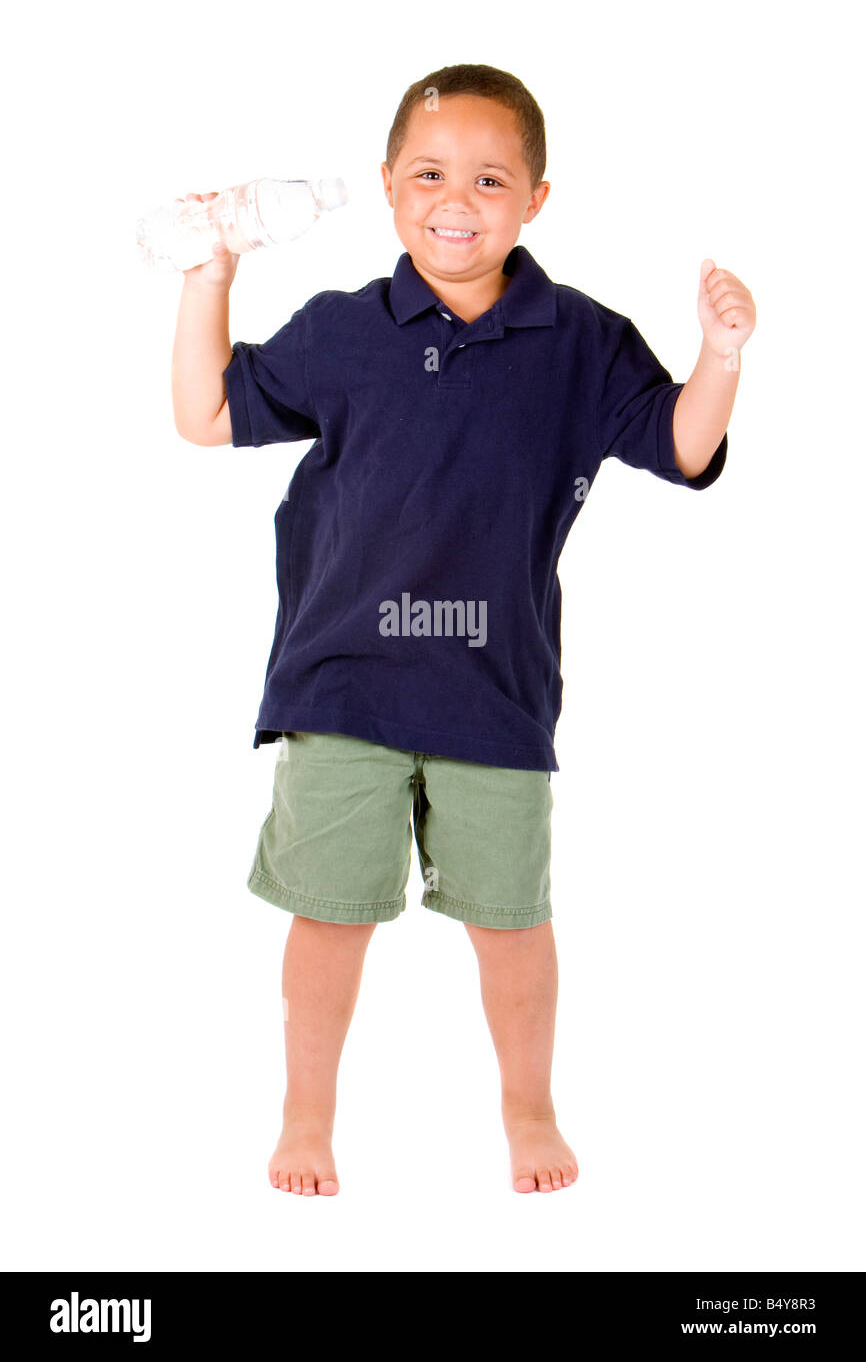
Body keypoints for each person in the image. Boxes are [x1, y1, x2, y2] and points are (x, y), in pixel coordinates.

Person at [170, 63, 756, 1198]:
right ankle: (304, 1117)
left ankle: (528, 1109)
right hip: (342, 683)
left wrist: (720, 359)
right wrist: (210, 276)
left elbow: (682, 448)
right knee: (329, 919)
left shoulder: (580, 340)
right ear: (390, 188)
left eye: (490, 178)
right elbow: (203, 414)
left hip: (494, 689)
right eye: (431, 174)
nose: (458, 198)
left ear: (534, 198)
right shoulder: (344, 331)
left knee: (511, 924)